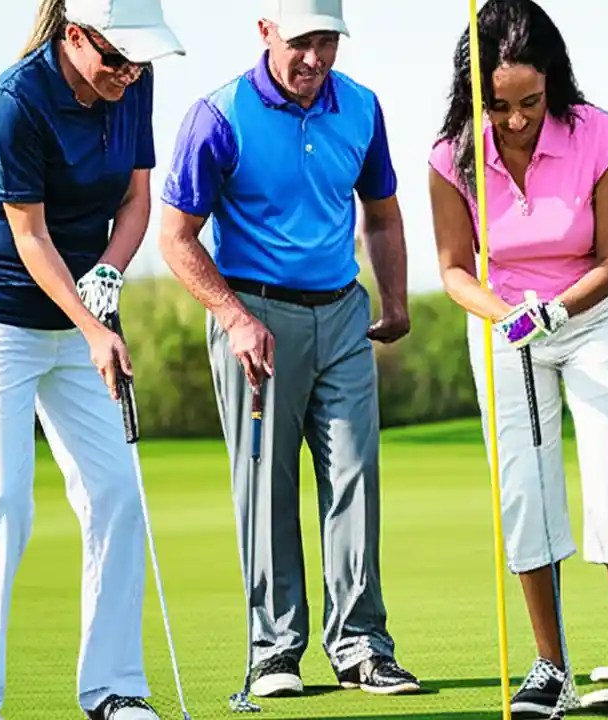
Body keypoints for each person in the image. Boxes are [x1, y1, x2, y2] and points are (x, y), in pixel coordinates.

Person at [157, 0, 419, 700]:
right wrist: (233, 316)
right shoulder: (218, 116)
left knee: (356, 476)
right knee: (267, 487)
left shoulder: (361, 107)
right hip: (255, 316)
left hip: (341, 312)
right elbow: (176, 239)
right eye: (302, 42)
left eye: (328, 42)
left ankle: (363, 645)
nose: (315, 59)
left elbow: (383, 213)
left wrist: (394, 299)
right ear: (265, 32)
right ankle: (275, 652)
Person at [0, 0, 185, 719]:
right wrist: (93, 326)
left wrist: (109, 271)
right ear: (75, 35)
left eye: (138, 59)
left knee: (116, 494)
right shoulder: (16, 102)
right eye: (114, 57)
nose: (128, 72)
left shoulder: (134, 85)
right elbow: (30, 237)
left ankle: (113, 688)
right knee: (2, 498)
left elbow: (137, 199)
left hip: (79, 307)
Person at [427, 1, 608, 717]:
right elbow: (452, 269)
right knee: (526, 492)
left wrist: (557, 310)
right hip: (505, 327)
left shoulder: (600, 135)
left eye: (530, 101)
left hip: (597, 317)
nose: (516, 119)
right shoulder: (451, 157)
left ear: (553, 83)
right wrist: (508, 317)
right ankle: (550, 668)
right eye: (499, 106)